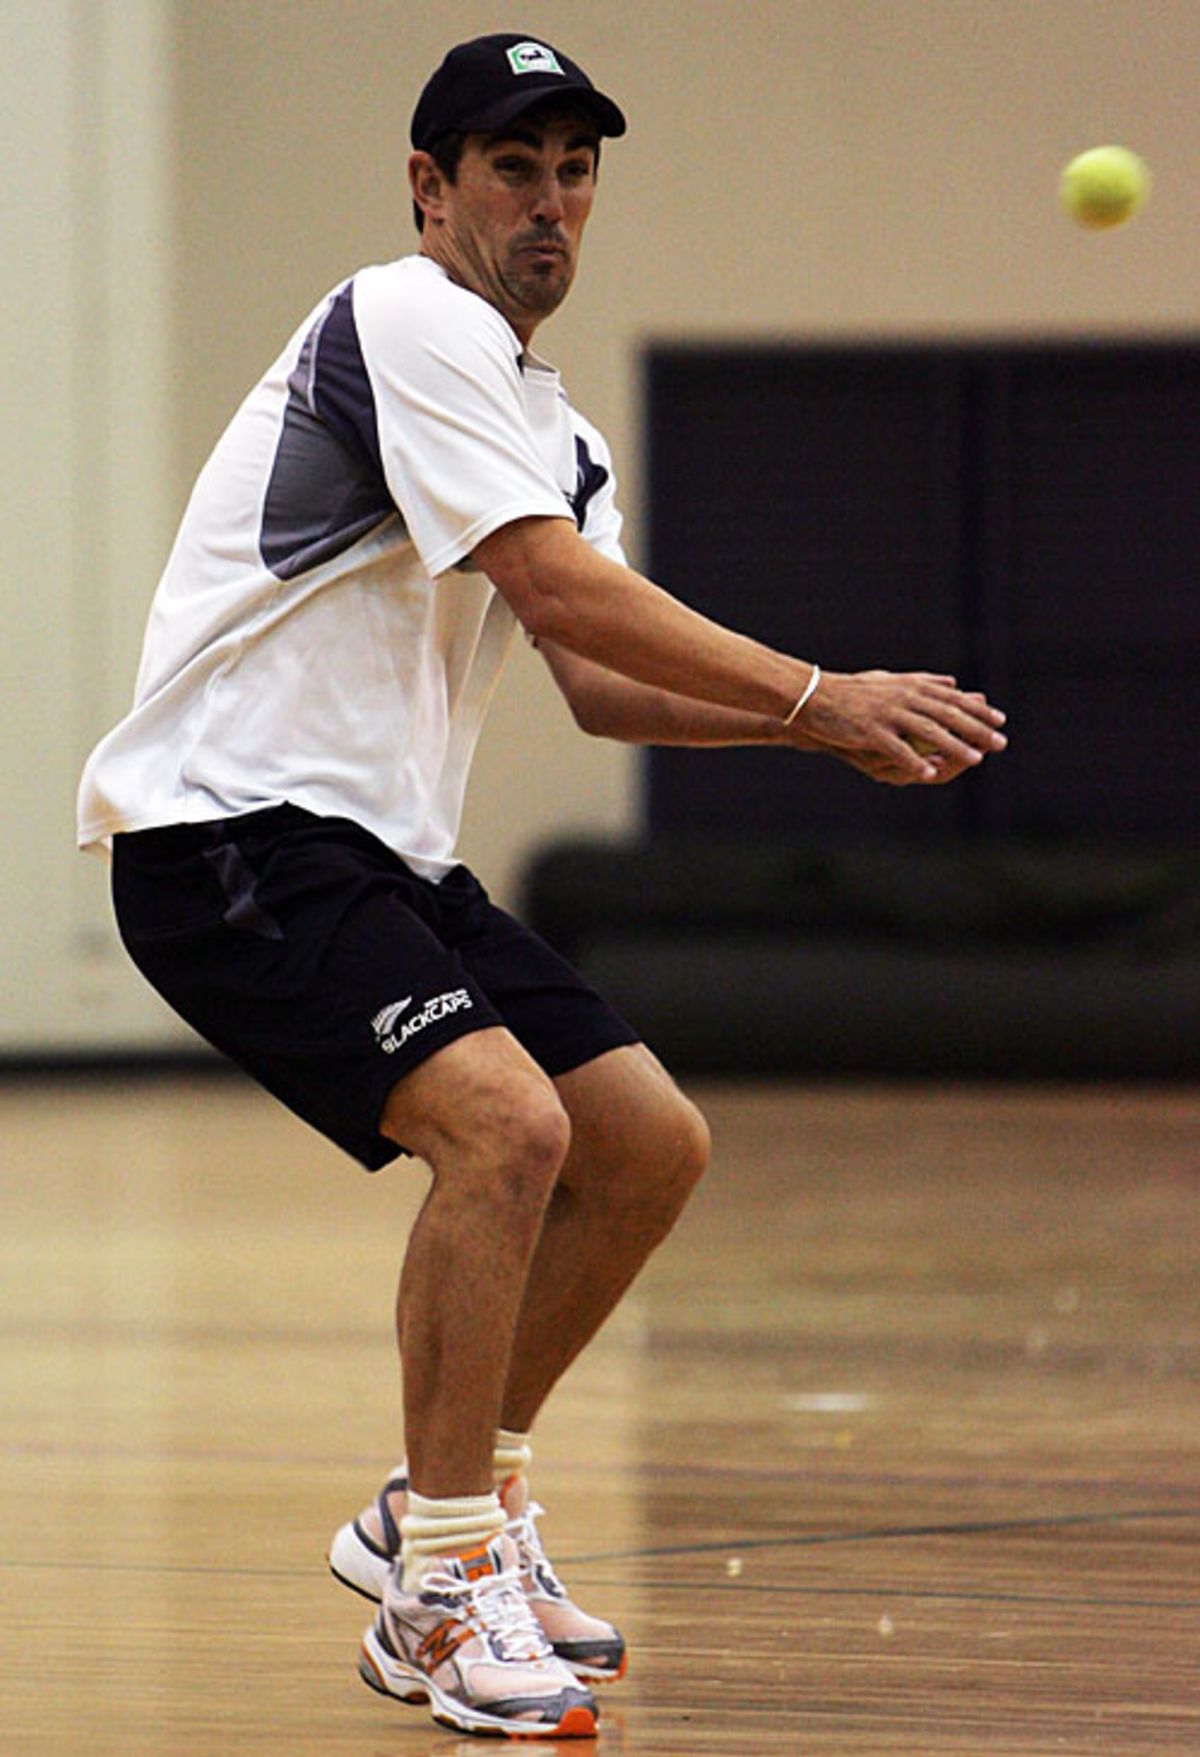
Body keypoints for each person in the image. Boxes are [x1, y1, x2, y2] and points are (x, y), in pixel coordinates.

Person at [76, 31, 1008, 1742]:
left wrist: (818, 734)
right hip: (226, 833)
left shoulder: (552, 428)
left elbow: (598, 683)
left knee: (646, 1143)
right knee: (508, 1129)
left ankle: (447, 1507)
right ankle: (438, 1591)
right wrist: (819, 691)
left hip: (380, 856)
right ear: (429, 189)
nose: (551, 203)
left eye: (576, 171)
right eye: (514, 167)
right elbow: (562, 595)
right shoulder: (406, 317)